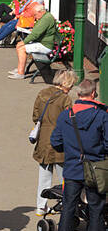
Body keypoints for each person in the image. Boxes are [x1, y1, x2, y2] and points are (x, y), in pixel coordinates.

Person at [49, 77, 108, 231]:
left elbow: (55, 141)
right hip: (96, 168)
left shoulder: (66, 115)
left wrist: (70, 151)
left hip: (73, 168)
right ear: (93, 93)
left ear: (78, 94)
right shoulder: (102, 115)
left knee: (68, 207)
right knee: (96, 209)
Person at [31, 69, 76, 214]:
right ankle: (67, 205)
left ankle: (41, 206)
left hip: (43, 140)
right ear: (66, 83)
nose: (71, 88)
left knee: (44, 176)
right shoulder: (65, 99)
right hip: (60, 142)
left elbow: (35, 116)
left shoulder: (42, 93)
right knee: (65, 176)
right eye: (71, 85)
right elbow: (70, 121)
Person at [7, 2, 59, 79]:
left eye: (35, 15)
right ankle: (20, 69)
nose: (35, 17)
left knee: (21, 47)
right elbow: (38, 31)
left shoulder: (46, 19)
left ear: (40, 12)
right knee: (20, 46)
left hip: (45, 46)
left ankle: (20, 73)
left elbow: (35, 35)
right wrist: (33, 30)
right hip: (43, 43)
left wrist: (23, 42)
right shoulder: (45, 16)